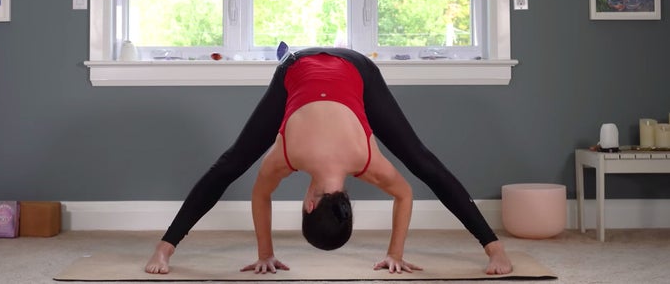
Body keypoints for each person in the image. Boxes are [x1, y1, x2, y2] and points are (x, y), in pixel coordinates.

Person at [145, 46, 513, 275]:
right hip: (313, 66)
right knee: (422, 161)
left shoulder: (363, 162)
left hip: (333, 67)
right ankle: (494, 250)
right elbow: (406, 194)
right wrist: (394, 255)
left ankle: (165, 248)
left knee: (230, 164)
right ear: (308, 204)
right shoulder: (291, 156)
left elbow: (260, 194)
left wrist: (265, 256)